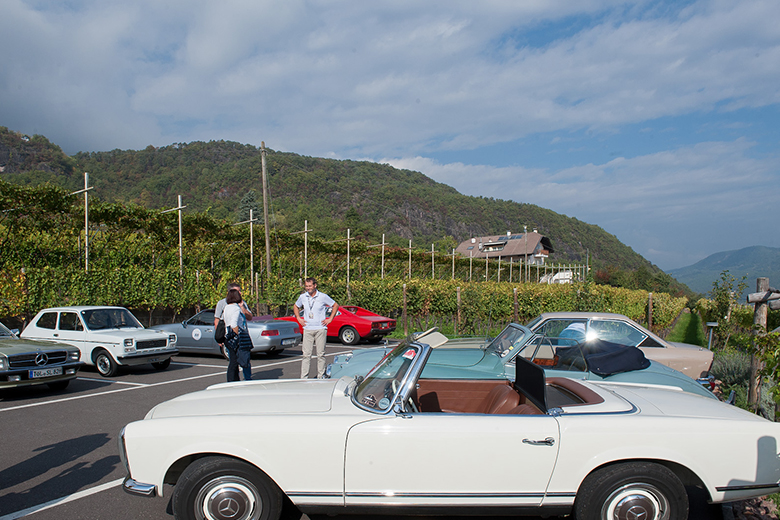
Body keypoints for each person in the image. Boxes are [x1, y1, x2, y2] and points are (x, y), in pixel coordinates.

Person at [294, 277, 338, 379]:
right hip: (307, 329)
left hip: (320, 329)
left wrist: (330, 318)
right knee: (306, 355)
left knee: (320, 354)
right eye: (306, 286)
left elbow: (335, 305)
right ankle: (303, 377)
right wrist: (298, 318)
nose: (308, 288)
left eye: (310, 286)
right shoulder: (303, 297)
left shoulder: (322, 296)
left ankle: (320, 376)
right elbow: (296, 306)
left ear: (315, 285)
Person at [214, 283, 253, 381]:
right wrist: (236, 334)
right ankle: (233, 381)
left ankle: (239, 379)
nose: (240, 293)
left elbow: (250, 317)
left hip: (230, 337)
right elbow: (230, 323)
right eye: (237, 291)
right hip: (236, 338)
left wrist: (243, 307)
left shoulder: (235, 306)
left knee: (236, 361)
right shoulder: (230, 307)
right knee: (238, 360)